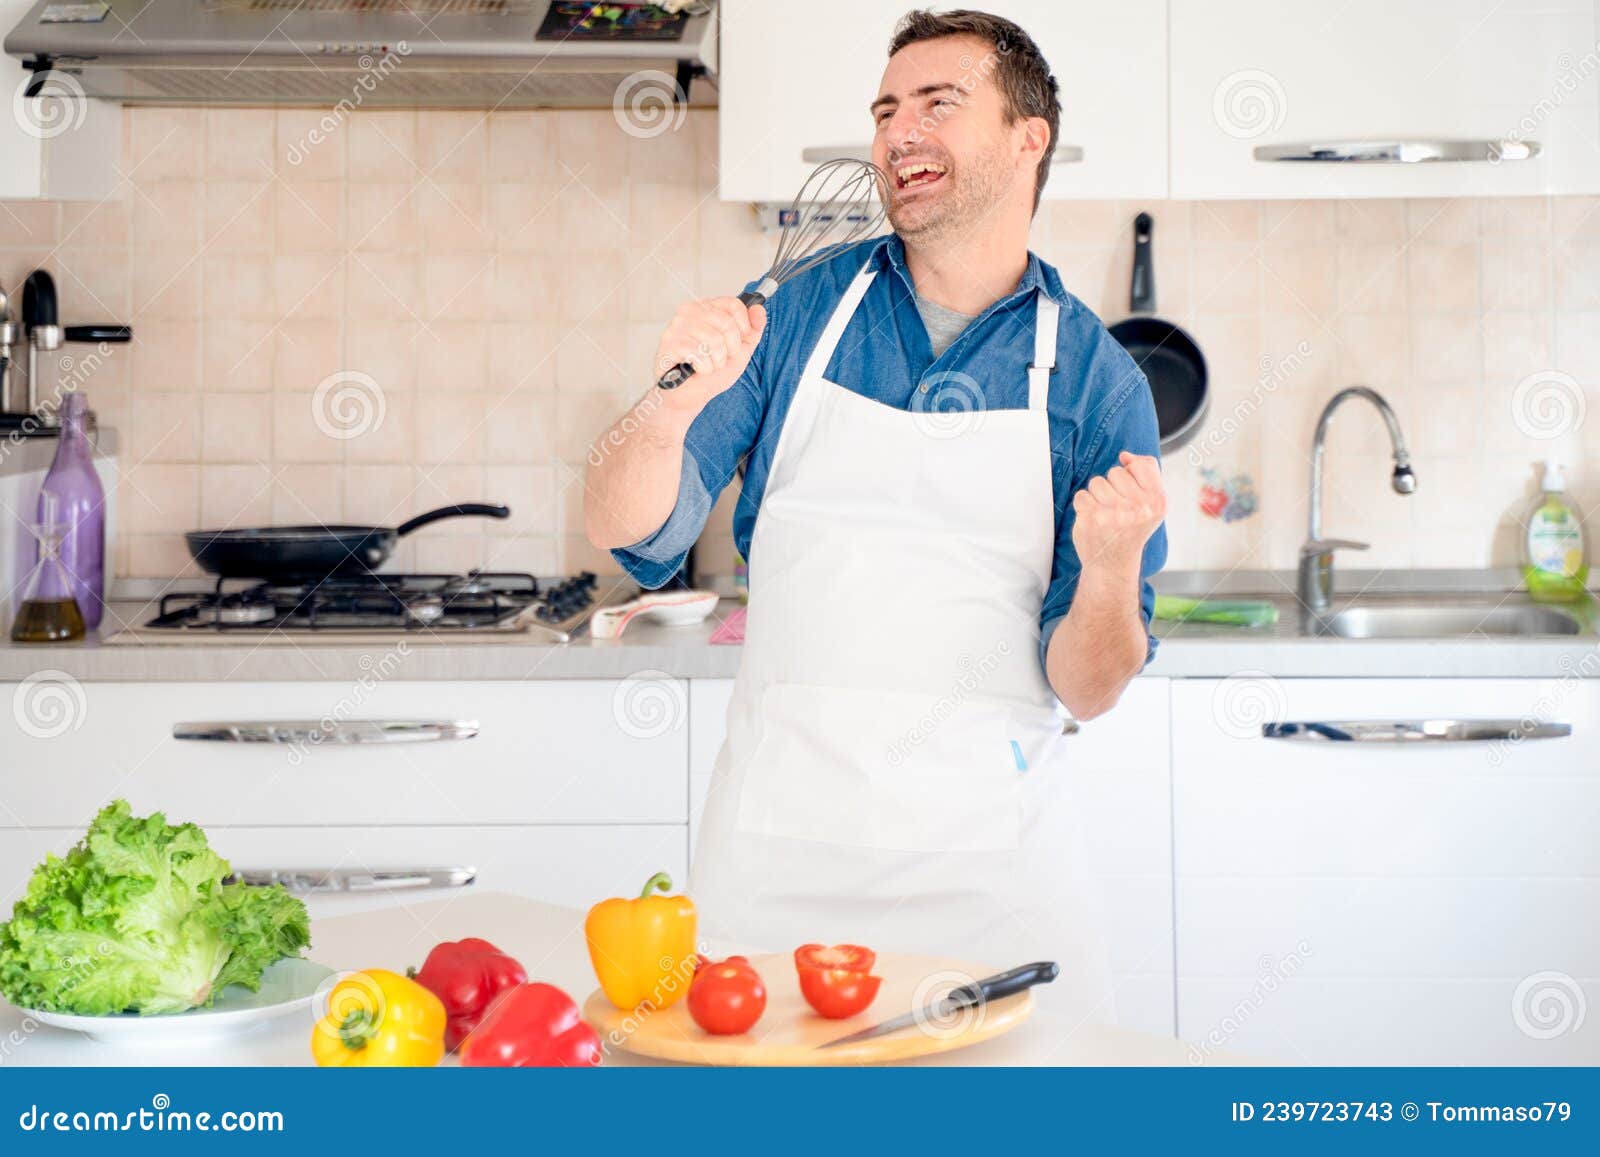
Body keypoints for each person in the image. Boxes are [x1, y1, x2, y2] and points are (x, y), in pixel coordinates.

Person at [585, 9, 1167, 1026]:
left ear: (1028, 139)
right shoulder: (796, 315)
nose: (899, 132)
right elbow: (633, 533)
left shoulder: (1093, 377)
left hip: (992, 882)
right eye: (886, 109)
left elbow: (1090, 682)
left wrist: (1113, 569)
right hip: (770, 871)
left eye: (939, 104)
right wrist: (666, 404)